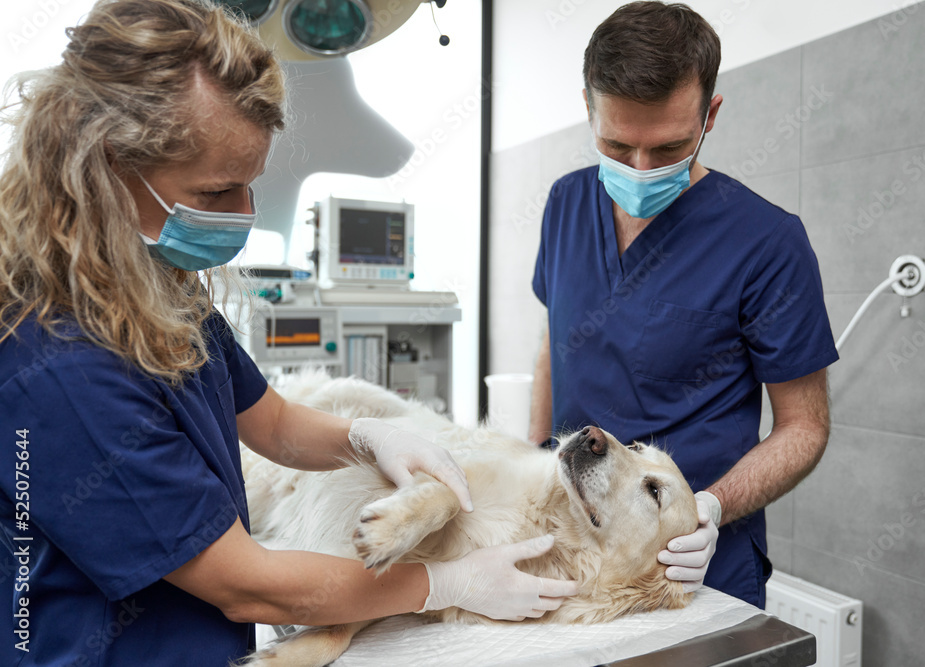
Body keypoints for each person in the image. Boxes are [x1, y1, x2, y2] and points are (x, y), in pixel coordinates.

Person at [0, 1, 576, 665]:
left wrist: (367, 436)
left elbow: (271, 423)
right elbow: (247, 584)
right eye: (218, 192)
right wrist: (441, 583)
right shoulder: (59, 364)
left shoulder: (157, 286)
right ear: (107, 165)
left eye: (253, 184)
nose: (246, 215)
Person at [528, 1, 838, 608]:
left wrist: (707, 509)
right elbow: (553, 345)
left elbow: (804, 427)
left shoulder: (767, 242)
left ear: (710, 115)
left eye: (668, 148)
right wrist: (530, 461)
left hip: (692, 568)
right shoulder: (566, 202)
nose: (640, 170)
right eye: (617, 146)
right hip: (569, 545)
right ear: (587, 108)